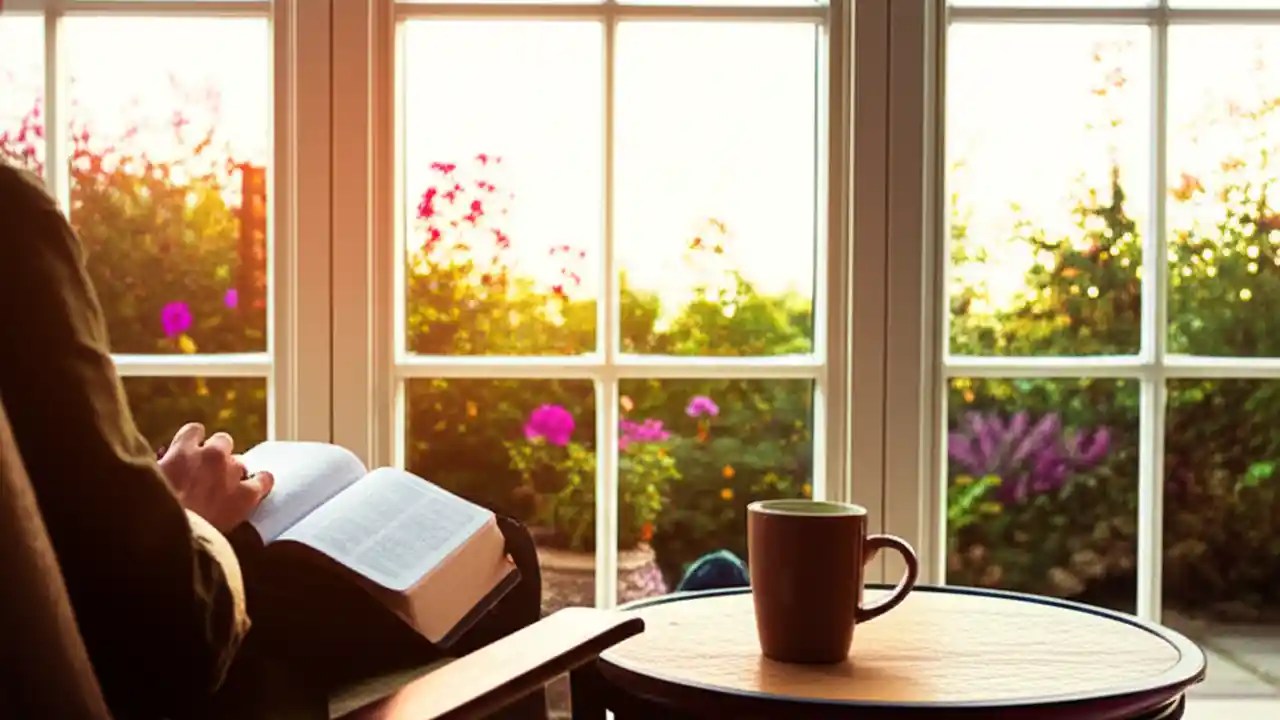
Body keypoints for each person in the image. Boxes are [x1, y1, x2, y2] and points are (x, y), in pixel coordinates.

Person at [0, 161, 546, 719]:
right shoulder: (10, 218)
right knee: (500, 550)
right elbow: (172, 637)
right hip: (154, 654)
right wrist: (187, 518)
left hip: (102, 627)